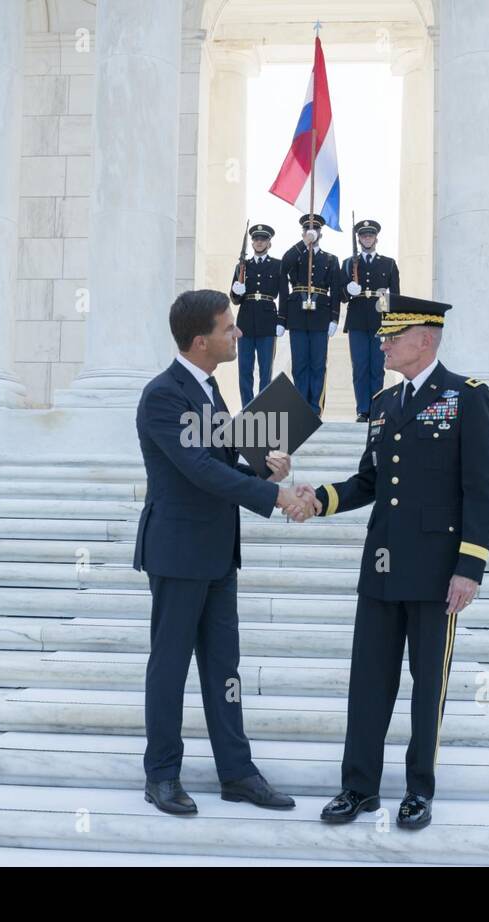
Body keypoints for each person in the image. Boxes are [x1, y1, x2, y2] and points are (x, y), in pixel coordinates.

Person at [293, 294, 489, 830]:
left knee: (427, 684)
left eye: (393, 336)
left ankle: (418, 790)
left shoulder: (466, 396)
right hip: (381, 566)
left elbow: (482, 490)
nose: (382, 343)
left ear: (425, 340)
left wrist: (469, 567)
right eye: (383, 336)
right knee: (369, 681)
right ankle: (357, 787)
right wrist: (319, 498)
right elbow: (369, 482)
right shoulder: (384, 404)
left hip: (437, 572)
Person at [133, 289, 317, 815]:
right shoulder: (164, 396)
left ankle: (237, 772)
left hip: (217, 553)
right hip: (177, 552)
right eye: (229, 327)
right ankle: (162, 774)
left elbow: (220, 467)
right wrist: (275, 495)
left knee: (225, 670)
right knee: (169, 668)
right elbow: (198, 470)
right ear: (200, 340)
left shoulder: (211, 390)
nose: (238, 334)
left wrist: (264, 471)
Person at [279, 213, 341, 416]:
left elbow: (336, 290)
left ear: (321, 233)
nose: (312, 232)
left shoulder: (331, 259)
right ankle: (300, 407)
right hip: (297, 315)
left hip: (320, 316)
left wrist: (334, 317)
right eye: (307, 230)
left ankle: (315, 408)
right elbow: (283, 266)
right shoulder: (296, 255)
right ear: (304, 232)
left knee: (317, 364)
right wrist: (303, 243)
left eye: (315, 230)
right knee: (299, 364)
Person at [339, 219, 399, 422]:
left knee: (377, 366)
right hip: (356, 319)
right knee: (360, 367)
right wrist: (348, 290)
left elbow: (395, 296)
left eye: (370, 235)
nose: (367, 238)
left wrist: (392, 324)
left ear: (376, 238)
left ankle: (376, 408)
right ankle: (362, 410)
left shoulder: (388, 263)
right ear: (359, 239)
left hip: (378, 320)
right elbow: (341, 295)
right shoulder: (348, 263)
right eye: (364, 236)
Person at [230, 224, 283, 406]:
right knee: (245, 368)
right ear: (252, 243)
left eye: (263, 239)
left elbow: (283, 293)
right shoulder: (242, 266)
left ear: (269, 243)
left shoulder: (277, 265)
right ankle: (247, 406)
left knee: (265, 369)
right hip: (245, 320)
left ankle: (263, 406)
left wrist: (282, 320)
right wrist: (237, 291)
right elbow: (235, 299)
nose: (259, 242)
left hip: (268, 321)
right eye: (256, 239)